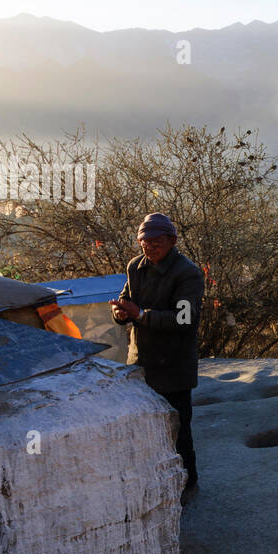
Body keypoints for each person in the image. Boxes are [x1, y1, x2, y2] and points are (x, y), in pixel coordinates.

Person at [110, 213, 204, 505]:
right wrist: (121, 313)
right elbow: (126, 299)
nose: (149, 247)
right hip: (141, 360)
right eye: (143, 242)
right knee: (145, 426)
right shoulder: (135, 267)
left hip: (173, 365)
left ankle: (188, 484)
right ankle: (154, 480)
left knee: (177, 428)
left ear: (172, 241)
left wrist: (141, 315)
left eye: (156, 242)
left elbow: (186, 319)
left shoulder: (187, 273)